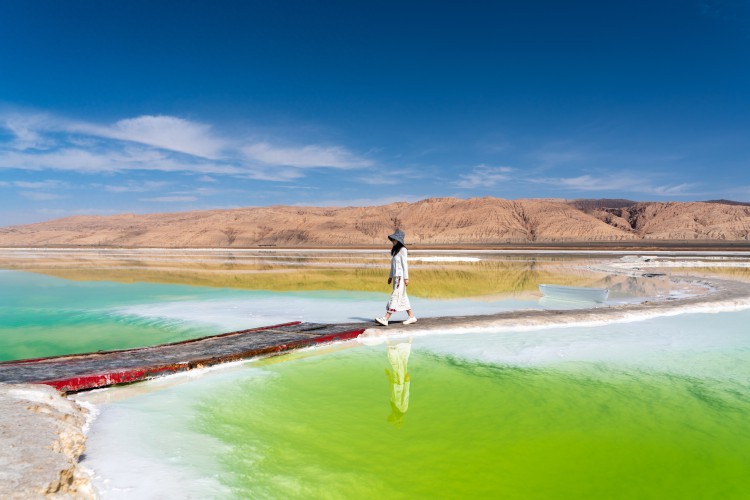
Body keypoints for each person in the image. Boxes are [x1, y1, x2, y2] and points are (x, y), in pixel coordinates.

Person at [375, 229, 417, 326]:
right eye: (393, 239)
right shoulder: (395, 251)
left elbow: (404, 265)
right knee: (402, 296)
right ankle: (412, 317)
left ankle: (386, 318)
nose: (393, 241)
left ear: (398, 240)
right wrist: (390, 277)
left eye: (394, 239)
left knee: (395, 295)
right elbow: (393, 266)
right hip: (395, 277)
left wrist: (406, 278)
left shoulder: (403, 250)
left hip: (400, 277)